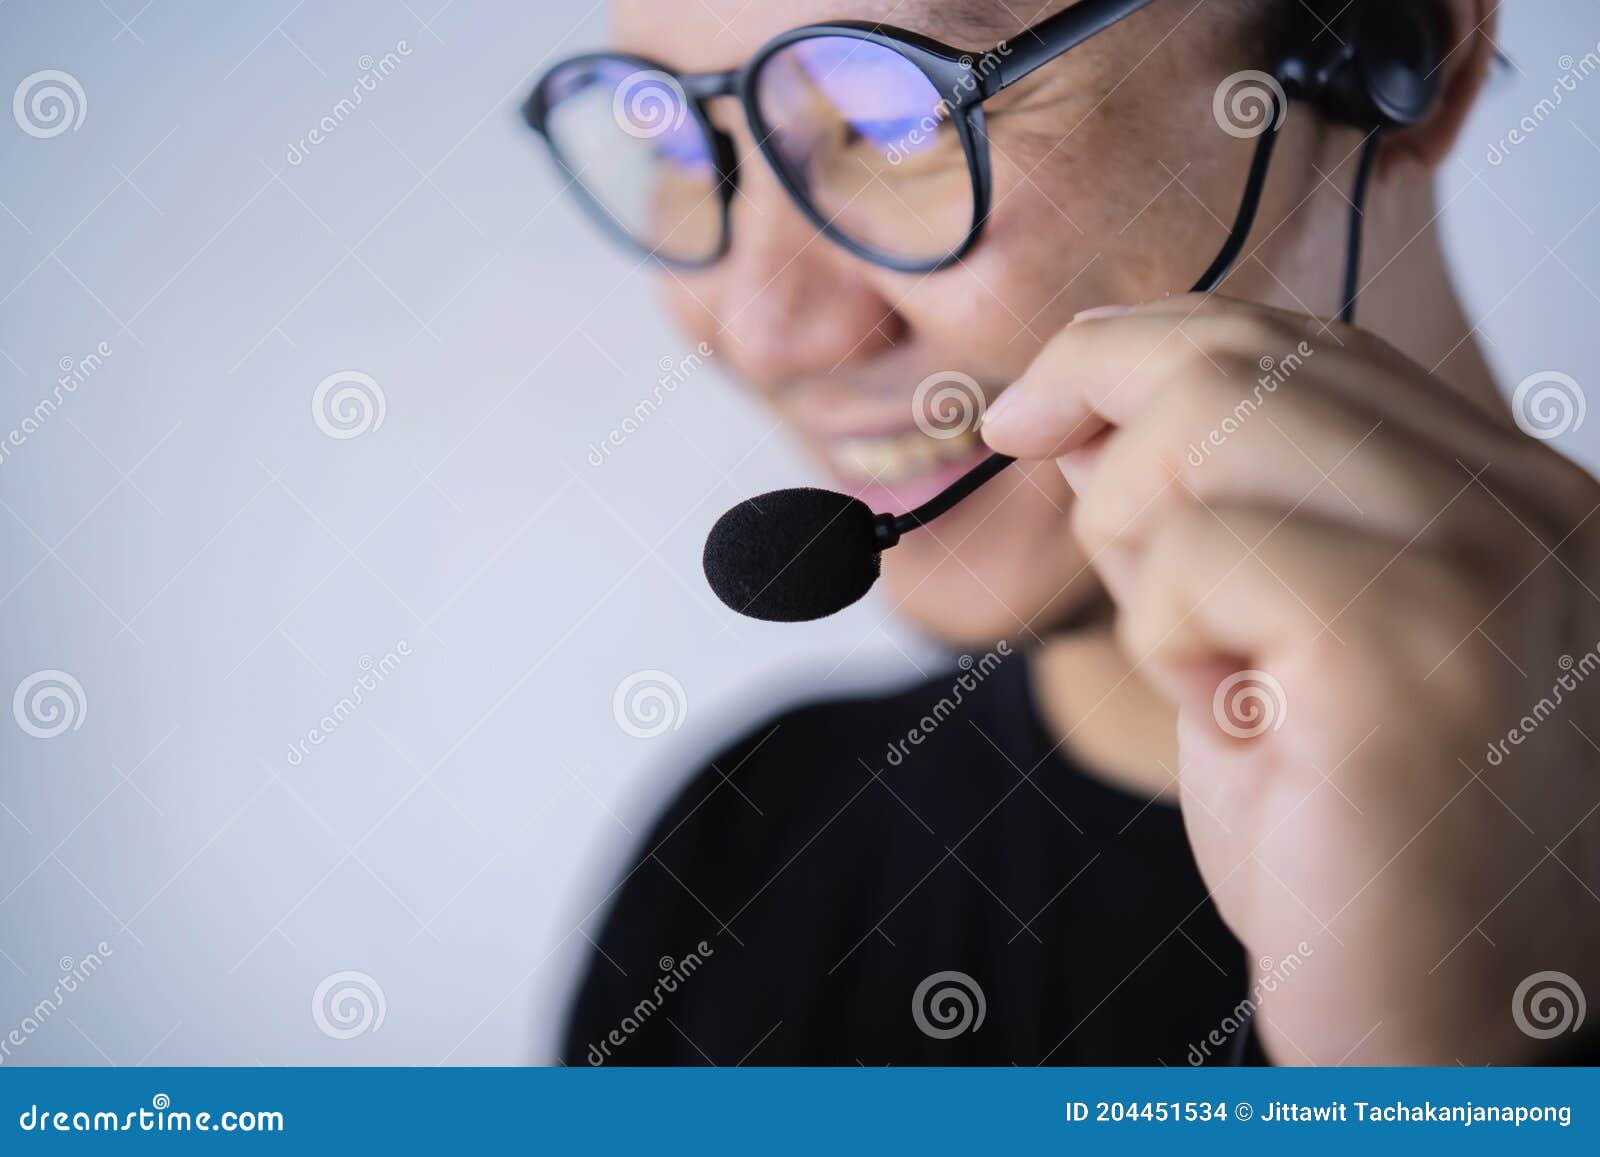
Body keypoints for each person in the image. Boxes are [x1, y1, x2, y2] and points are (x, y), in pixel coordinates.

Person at [537, 0, 1600, 1064]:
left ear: (1382, 47)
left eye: (898, 121)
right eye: (676, 142)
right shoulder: (742, 852)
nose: (763, 329)